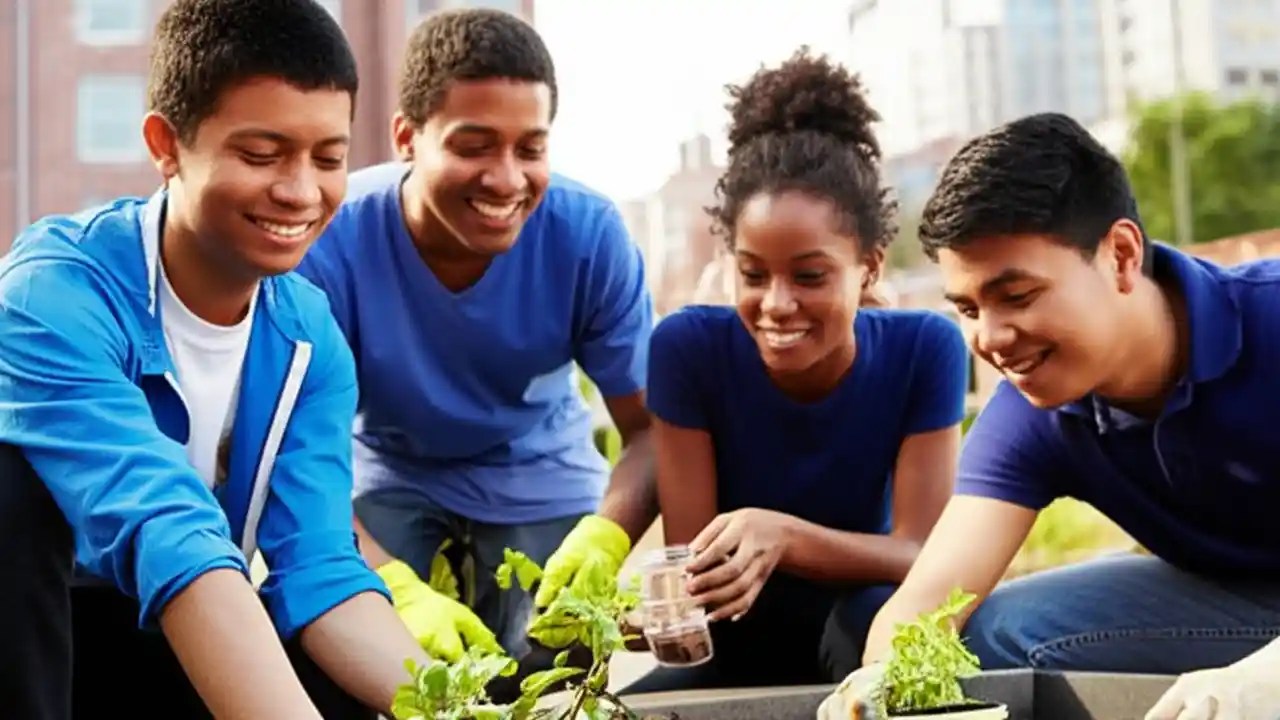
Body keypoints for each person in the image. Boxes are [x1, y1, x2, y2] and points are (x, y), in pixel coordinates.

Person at [0, 1, 428, 718]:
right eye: (261, 155)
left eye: (328, 158)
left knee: (340, 678)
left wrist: (471, 707)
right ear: (166, 144)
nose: (300, 192)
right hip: (49, 647)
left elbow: (320, 568)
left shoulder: (306, 338)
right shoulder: (52, 292)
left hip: (178, 623)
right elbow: (165, 526)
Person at [819, 113, 1280, 720]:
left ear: (1120, 254)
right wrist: (875, 690)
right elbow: (925, 607)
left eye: (1017, 296)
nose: (991, 337)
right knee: (988, 636)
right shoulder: (1033, 410)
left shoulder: (1269, 319)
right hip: (1235, 595)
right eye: (968, 307)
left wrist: (1265, 680)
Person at [295, 8, 655, 662]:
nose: (507, 178)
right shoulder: (332, 241)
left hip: (539, 468)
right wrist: (390, 585)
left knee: (548, 660)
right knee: (344, 634)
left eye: (531, 148)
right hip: (385, 470)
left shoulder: (588, 236)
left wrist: (606, 534)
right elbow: (296, 456)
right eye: (473, 145)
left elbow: (652, 430)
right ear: (406, 137)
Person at [624, 47, 969, 692]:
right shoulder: (688, 350)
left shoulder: (926, 348)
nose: (777, 304)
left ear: (869, 267)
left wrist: (780, 535)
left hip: (867, 635)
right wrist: (635, 614)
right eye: (753, 275)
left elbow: (922, 555)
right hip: (735, 647)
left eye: (810, 276)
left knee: (864, 629)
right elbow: (697, 574)